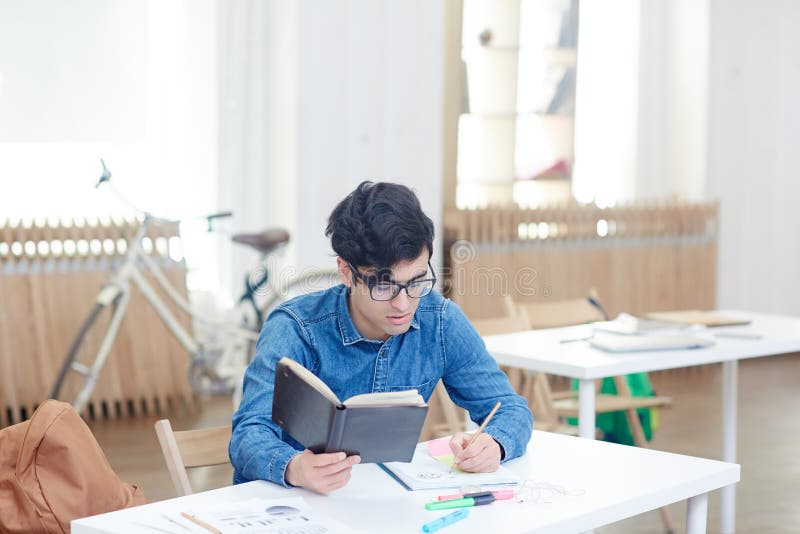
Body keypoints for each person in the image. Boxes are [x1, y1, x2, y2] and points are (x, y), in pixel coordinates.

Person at [229, 181, 532, 493]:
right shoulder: (295, 328)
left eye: (417, 281)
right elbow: (248, 435)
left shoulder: (440, 320)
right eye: (383, 286)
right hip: (297, 506)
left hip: (388, 505)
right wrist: (294, 467)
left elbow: (510, 408)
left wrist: (494, 443)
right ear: (346, 272)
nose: (403, 304)